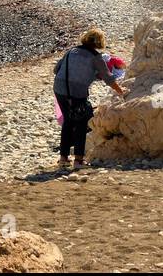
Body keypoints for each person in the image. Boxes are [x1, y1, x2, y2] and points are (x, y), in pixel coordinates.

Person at [52, 28, 125, 170]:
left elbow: (56, 70)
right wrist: (121, 91)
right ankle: (78, 161)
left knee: (67, 121)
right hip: (77, 91)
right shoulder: (96, 57)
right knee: (81, 122)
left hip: (59, 88)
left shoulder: (71, 51)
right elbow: (108, 77)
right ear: (99, 42)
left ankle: (63, 159)